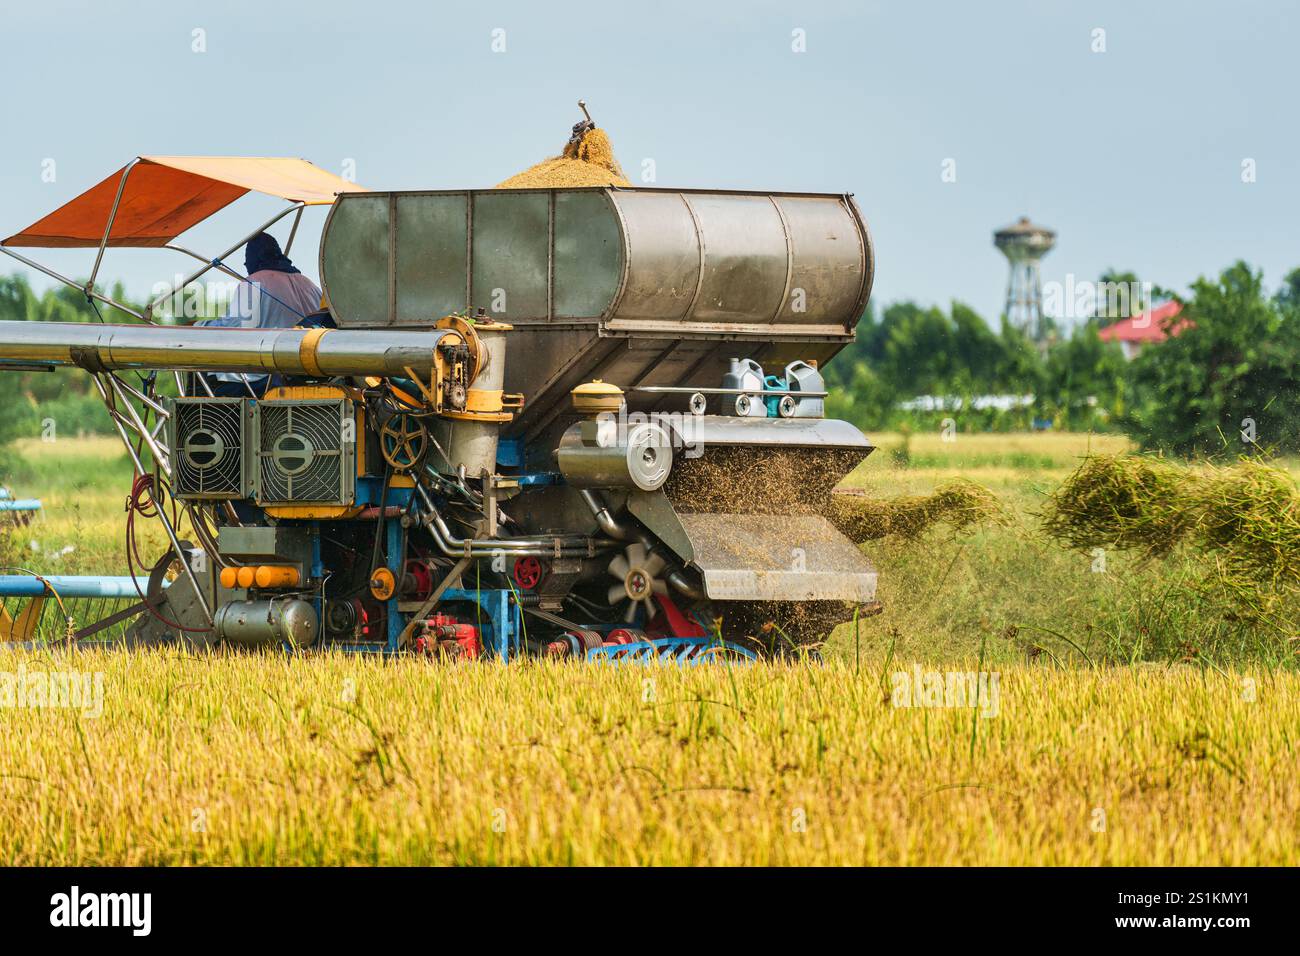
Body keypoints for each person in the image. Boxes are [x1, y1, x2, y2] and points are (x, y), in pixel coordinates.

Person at [198, 232, 323, 395]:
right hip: (307, 375)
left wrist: (199, 326)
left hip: (262, 380)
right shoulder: (311, 286)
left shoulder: (254, 282)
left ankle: (199, 420)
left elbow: (233, 329)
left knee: (197, 368)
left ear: (252, 260)